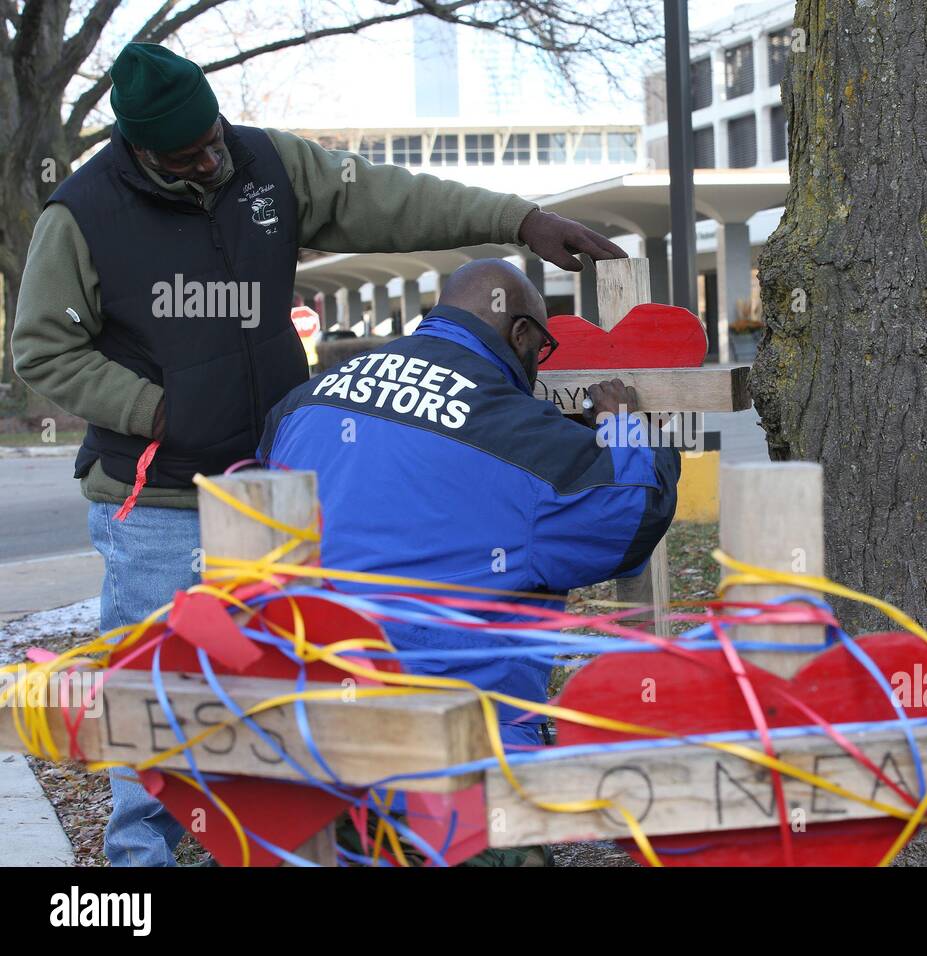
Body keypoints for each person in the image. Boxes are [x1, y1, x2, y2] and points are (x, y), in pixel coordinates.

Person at [11, 42, 624, 866]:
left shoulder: (266, 165)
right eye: (190, 153)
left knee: (285, 691)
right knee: (159, 702)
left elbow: (390, 198)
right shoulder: (79, 216)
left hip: (281, 495)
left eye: (215, 135)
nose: (213, 156)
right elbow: (45, 350)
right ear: (141, 150)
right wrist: (160, 410)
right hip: (158, 503)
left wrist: (520, 220)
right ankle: (142, 870)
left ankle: (285, 850)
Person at [258, 259, 679, 864]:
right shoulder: (520, 434)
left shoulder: (306, 401)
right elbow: (629, 511)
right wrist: (622, 424)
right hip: (462, 758)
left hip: (308, 743)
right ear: (522, 334)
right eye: (543, 347)